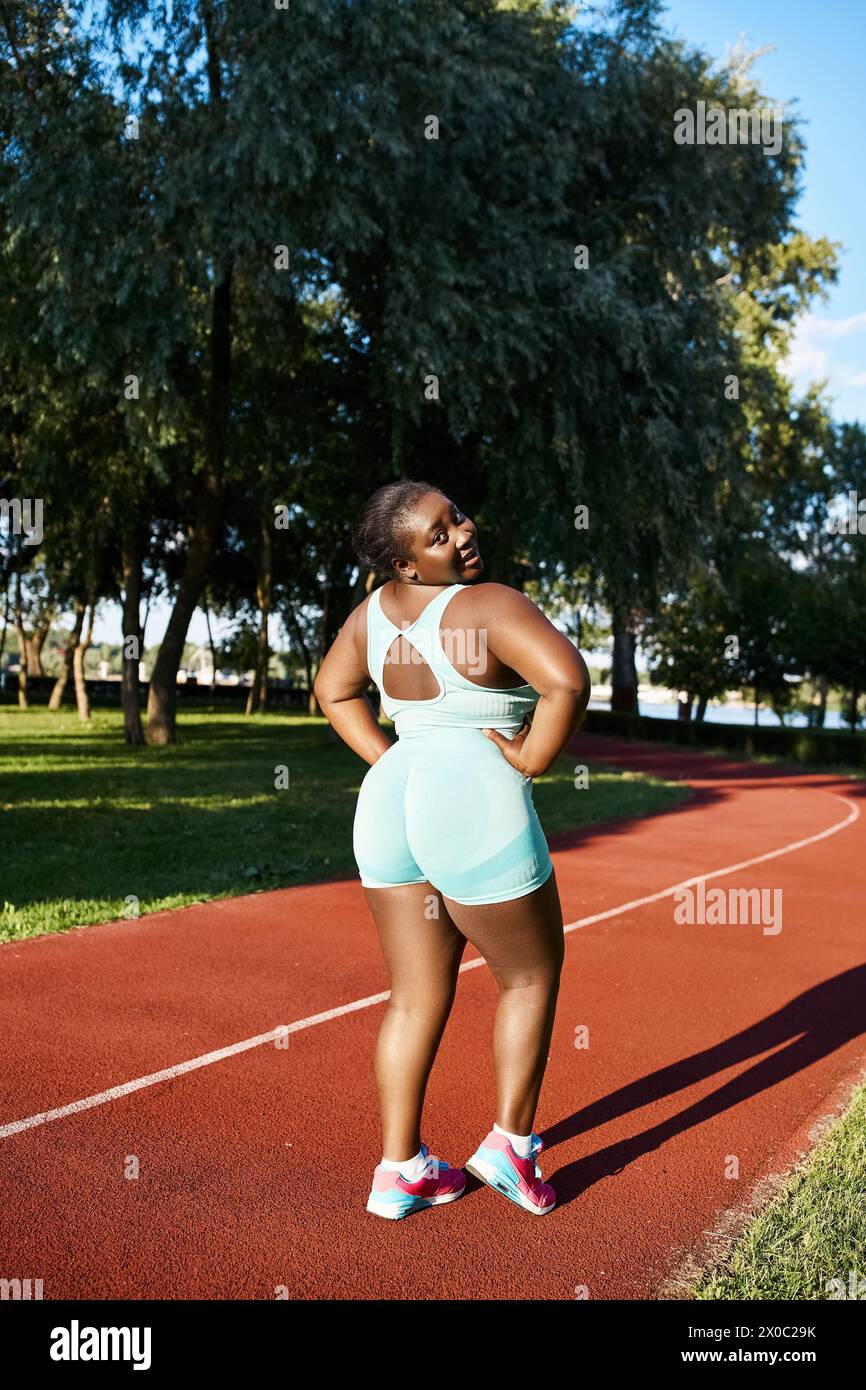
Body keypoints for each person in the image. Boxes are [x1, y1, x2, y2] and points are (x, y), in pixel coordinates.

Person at [314, 480, 590, 1218]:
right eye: (438, 535)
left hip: (390, 806)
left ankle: (401, 1169)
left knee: (413, 996)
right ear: (405, 565)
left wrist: (392, 760)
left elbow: (332, 691)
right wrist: (533, 758)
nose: (462, 534)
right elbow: (567, 680)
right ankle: (511, 1149)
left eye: (456, 515)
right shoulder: (490, 602)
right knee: (529, 978)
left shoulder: (368, 616)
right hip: (472, 798)